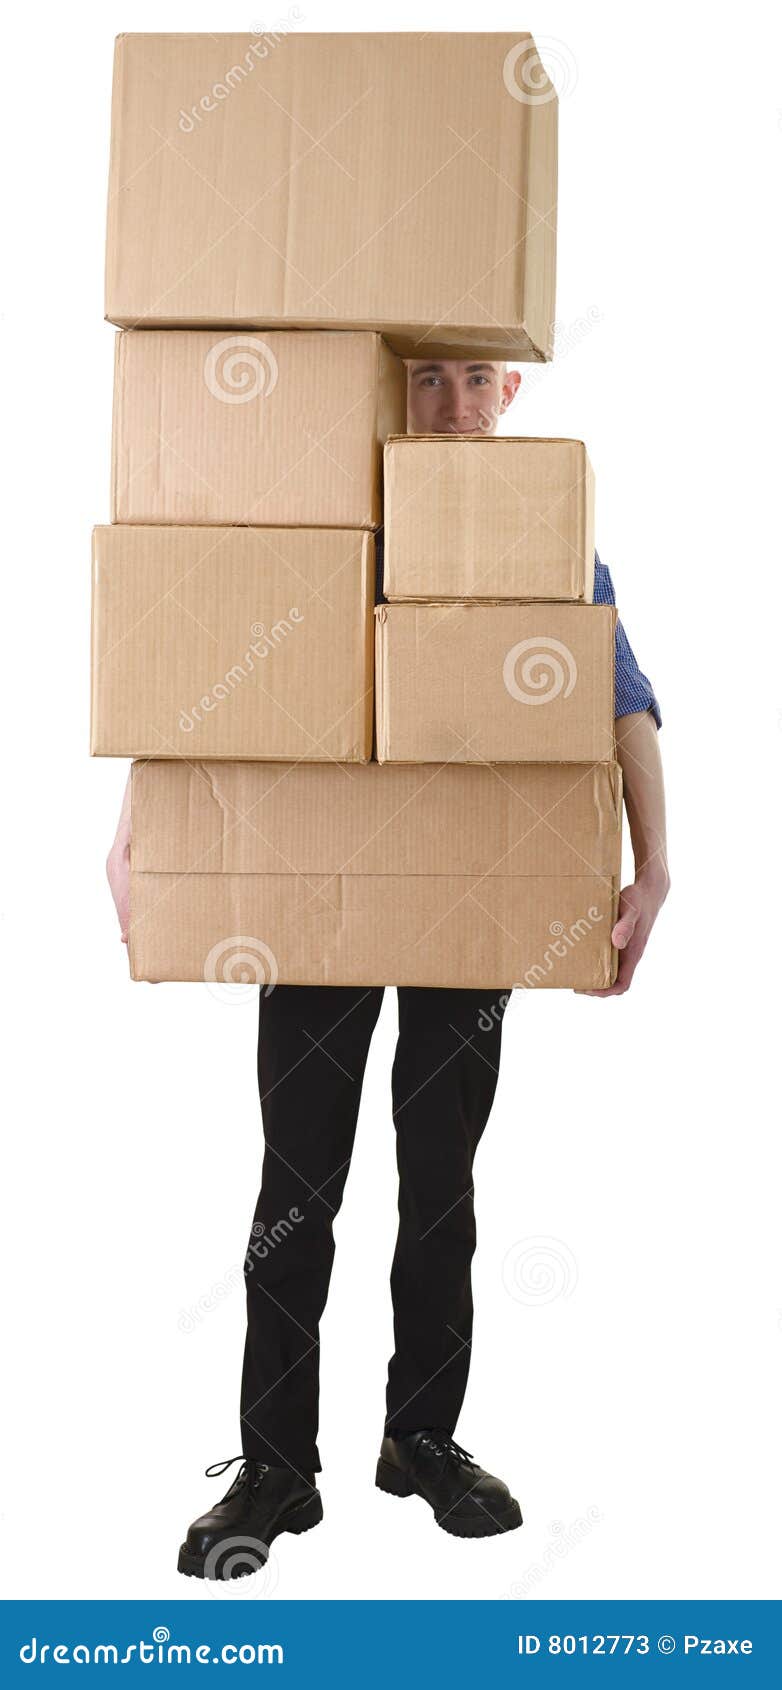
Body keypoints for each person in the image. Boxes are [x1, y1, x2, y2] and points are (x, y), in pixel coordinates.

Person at [107, 360, 669, 1579]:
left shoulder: (543, 538)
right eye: (428, 381)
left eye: (475, 380)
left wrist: (654, 865)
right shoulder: (324, 520)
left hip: (473, 893)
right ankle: (274, 1466)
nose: (454, 405)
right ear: (381, 388)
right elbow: (212, 684)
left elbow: (621, 698)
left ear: (510, 392)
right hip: (318, 897)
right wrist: (139, 830)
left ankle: (419, 1438)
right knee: (296, 1185)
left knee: (440, 1182)